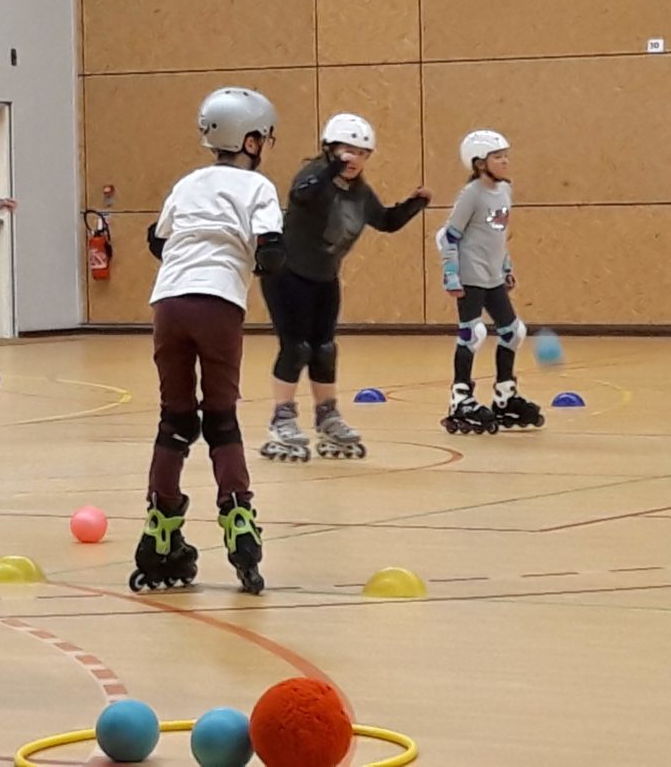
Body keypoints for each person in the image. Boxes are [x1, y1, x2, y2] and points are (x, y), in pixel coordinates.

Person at [132, 87, 284, 595]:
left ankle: (160, 530)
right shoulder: (258, 187)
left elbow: (157, 239)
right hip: (219, 305)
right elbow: (272, 250)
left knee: (175, 419)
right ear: (250, 141)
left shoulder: (188, 183)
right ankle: (239, 522)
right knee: (220, 419)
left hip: (168, 304)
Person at [259, 113, 429, 461]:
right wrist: (331, 168)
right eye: (347, 151)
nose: (354, 159)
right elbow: (302, 195)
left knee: (324, 349)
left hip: (324, 277)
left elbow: (386, 221)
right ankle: (282, 419)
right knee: (296, 348)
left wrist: (415, 204)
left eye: (362, 153)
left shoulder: (360, 193)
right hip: (287, 274)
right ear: (330, 149)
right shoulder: (313, 174)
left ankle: (328, 417)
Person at [437, 130, 543, 434]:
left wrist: (506, 266)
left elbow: (497, 235)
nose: (505, 161)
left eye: (505, 155)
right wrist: (451, 274)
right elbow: (449, 236)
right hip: (470, 275)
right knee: (473, 333)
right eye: (497, 157)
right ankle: (460, 399)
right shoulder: (472, 194)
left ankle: (504, 396)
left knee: (513, 332)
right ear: (480, 163)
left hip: (493, 275)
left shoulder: (505, 191)